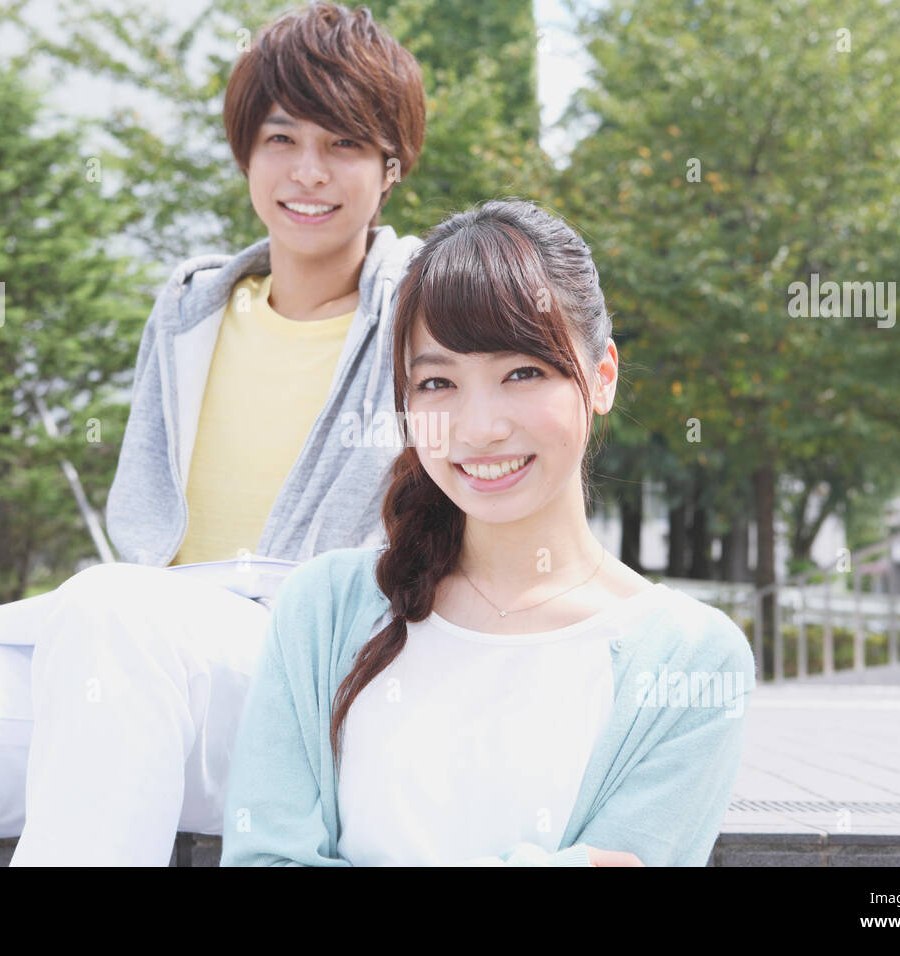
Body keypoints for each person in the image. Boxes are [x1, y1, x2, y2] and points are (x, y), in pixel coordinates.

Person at [0, 1, 426, 866]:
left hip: (303, 689)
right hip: (130, 679)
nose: (308, 173)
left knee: (112, 607)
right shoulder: (188, 310)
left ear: (390, 167)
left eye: (343, 146)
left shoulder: (426, 314)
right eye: (282, 140)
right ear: (246, 153)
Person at [218, 199, 757, 867]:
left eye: (522, 373)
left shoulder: (692, 660)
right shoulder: (323, 609)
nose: (479, 427)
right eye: (438, 382)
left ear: (602, 377)